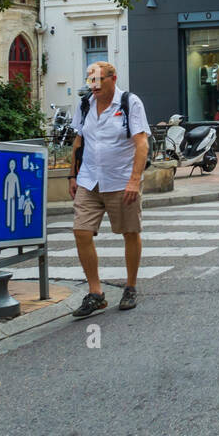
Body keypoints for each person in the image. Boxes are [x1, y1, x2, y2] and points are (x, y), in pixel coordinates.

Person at [68, 61, 150, 317]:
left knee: (129, 232)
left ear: (112, 79)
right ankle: (96, 293)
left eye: (98, 81)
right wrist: (73, 174)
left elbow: (142, 144)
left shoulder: (130, 103)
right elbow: (79, 140)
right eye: (90, 80)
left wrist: (134, 180)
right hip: (90, 180)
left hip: (121, 181)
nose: (93, 86)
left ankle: (131, 286)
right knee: (81, 232)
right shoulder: (85, 104)